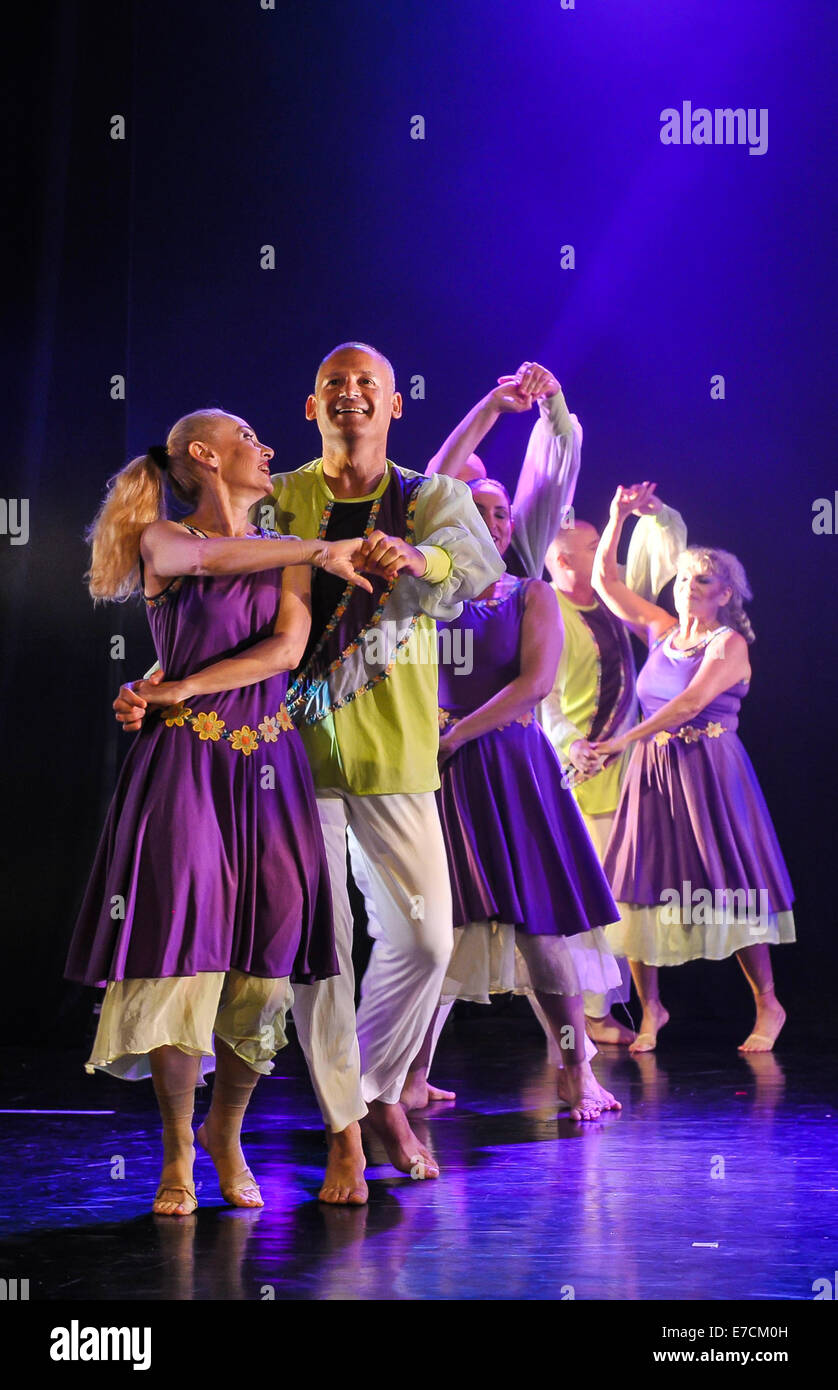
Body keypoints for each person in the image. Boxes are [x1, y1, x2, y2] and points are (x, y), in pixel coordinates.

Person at [114, 343, 504, 1204]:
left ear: (395, 406)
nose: (352, 395)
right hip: (292, 762)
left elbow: (479, 571)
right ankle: (342, 1130)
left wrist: (421, 559)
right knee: (321, 959)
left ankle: (370, 1093)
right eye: (335, 384)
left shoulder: (428, 495)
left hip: (398, 752)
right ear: (312, 406)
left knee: (428, 941)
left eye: (369, 384)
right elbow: (210, 575)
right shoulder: (284, 496)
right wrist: (161, 682)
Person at [66, 408, 374, 1215]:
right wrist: (314, 546)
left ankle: (224, 1132)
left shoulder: (286, 552)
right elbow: (209, 559)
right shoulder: (162, 540)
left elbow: (282, 648)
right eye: (249, 439)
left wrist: (177, 686)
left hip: (269, 765)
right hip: (187, 769)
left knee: (266, 973)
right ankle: (176, 1147)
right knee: (181, 957)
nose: (267, 448)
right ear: (204, 455)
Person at [401, 473, 625, 1121]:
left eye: (502, 513)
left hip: (508, 765)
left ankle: (575, 1071)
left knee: (541, 927)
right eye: (478, 509)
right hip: (436, 774)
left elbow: (534, 685)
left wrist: (454, 736)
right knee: (433, 930)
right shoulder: (424, 596)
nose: (496, 522)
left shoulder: (531, 595)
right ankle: (412, 1075)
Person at [590, 483, 795, 1053]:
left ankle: (767, 1002)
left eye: (702, 580)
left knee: (730, 881)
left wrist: (615, 743)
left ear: (725, 592)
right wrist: (616, 518)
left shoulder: (728, 644)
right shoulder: (660, 630)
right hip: (653, 772)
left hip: (710, 767)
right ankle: (651, 1007)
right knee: (638, 882)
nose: (688, 587)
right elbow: (605, 583)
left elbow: (687, 705)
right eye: (683, 578)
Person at [541, 488, 687, 1047]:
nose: (610, 557)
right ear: (561, 559)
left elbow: (673, 558)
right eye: (596, 547)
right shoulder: (544, 608)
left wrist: (653, 514)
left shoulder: (612, 603)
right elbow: (541, 695)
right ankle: (587, 1017)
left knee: (623, 896)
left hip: (629, 773)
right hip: (579, 773)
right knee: (588, 898)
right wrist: (571, 743)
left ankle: (606, 1010)